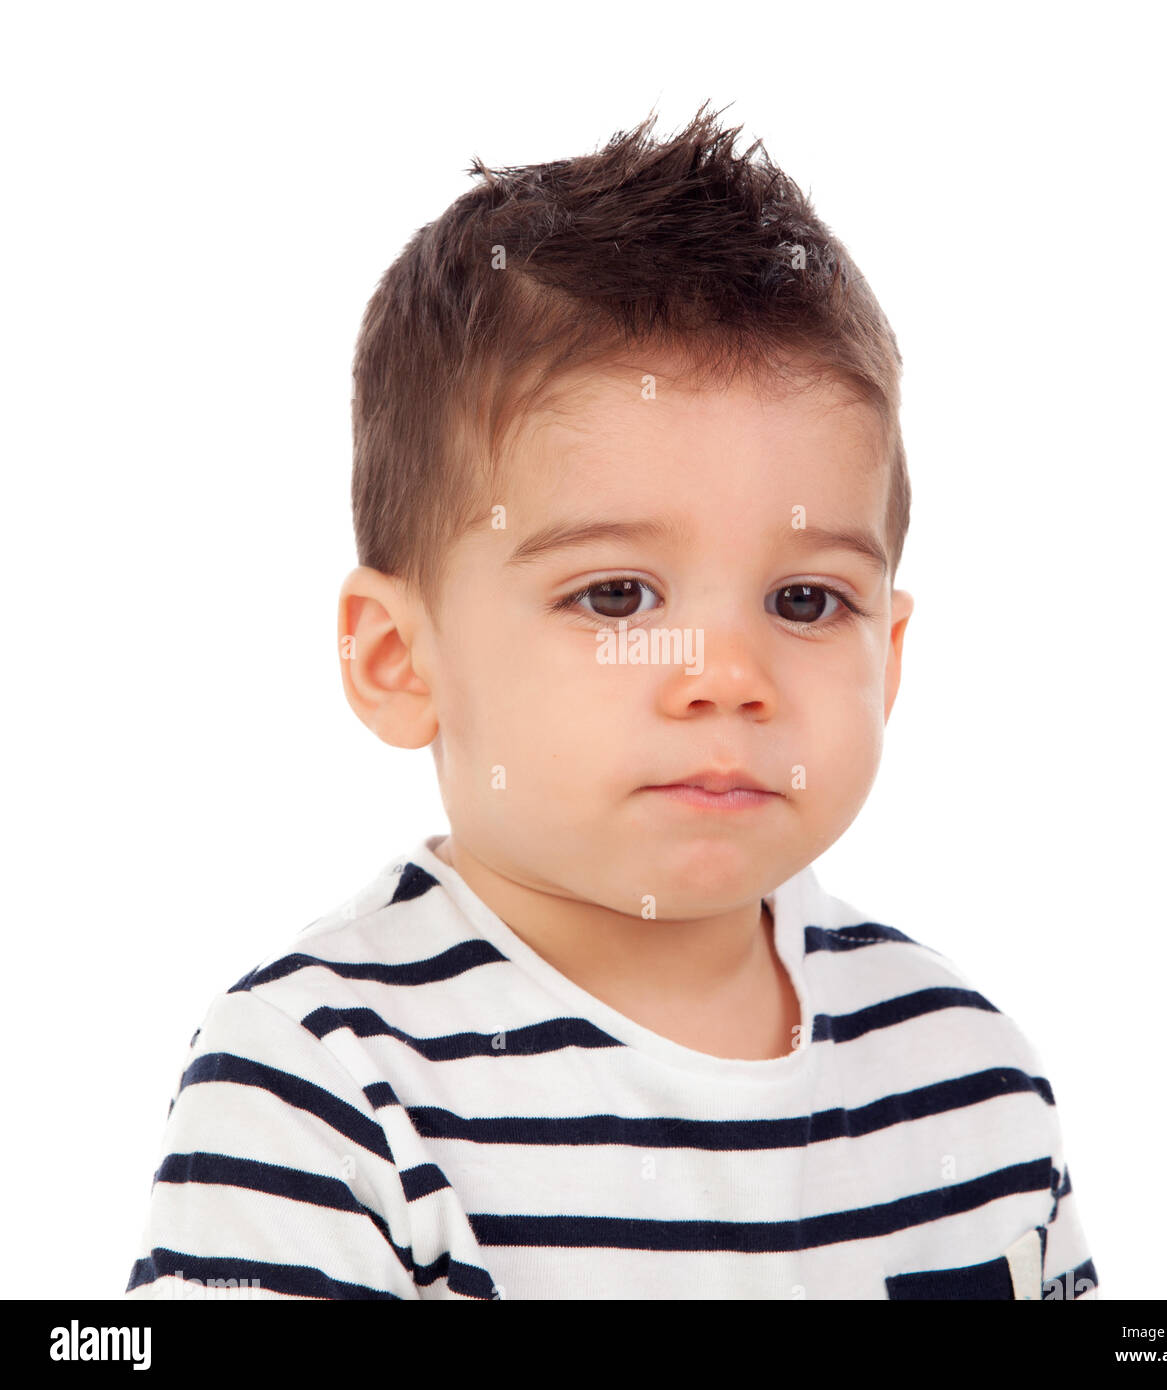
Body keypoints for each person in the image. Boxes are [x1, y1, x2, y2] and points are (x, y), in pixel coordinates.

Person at [125, 101, 1097, 1300]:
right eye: (619, 595)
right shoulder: (324, 1082)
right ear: (398, 660)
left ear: (889, 658)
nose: (726, 677)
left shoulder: (966, 1075)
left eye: (803, 601)